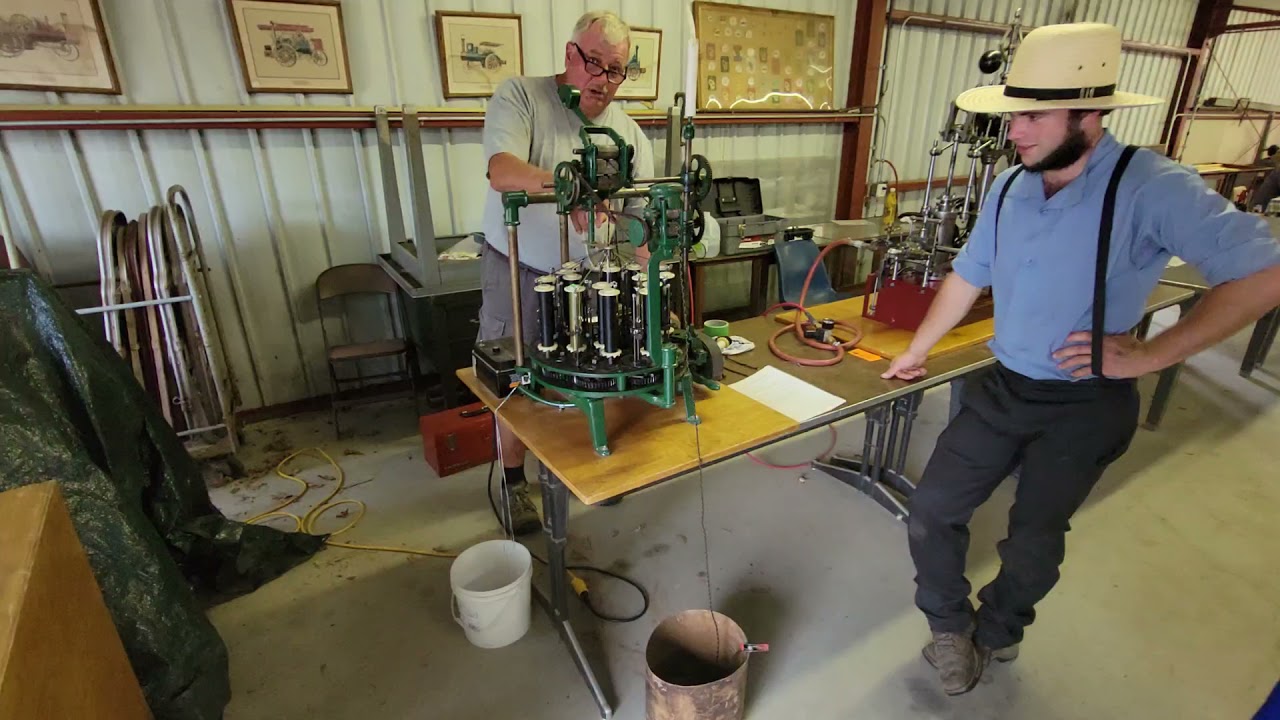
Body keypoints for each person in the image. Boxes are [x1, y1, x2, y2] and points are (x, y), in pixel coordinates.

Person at [880, 23, 1280, 696]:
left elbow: (1263, 273)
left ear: (1090, 114)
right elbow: (967, 276)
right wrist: (916, 351)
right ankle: (949, 629)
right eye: (1014, 116)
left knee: (1034, 537)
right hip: (1001, 385)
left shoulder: (1152, 186)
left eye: (1033, 116)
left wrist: (1152, 354)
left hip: (1085, 401)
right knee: (932, 510)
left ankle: (999, 631)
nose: (1016, 132)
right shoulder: (1009, 187)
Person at [478, 11, 654, 535]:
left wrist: (650, 269)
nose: (602, 79)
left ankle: (588, 463)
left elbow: (640, 214)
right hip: (521, 267)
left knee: (600, 365)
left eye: (616, 69)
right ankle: (513, 482)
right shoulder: (522, 97)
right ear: (569, 54)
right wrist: (568, 186)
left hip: (593, 272)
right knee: (516, 376)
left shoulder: (629, 134)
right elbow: (501, 171)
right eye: (593, 62)